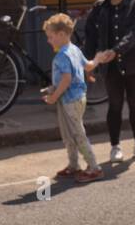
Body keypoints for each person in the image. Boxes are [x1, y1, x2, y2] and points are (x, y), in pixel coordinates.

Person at [81, 0, 135, 162]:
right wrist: (89, 62)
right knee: (115, 105)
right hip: (109, 65)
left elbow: (134, 33)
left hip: (134, 62)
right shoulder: (100, 7)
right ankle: (115, 147)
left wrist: (116, 50)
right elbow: (91, 35)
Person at [44, 13, 103, 183]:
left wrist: (53, 96)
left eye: (50, 37)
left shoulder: (62, 55)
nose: (49, 41)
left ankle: (94, 168)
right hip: (75, 99)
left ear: (61, 34)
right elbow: (89, 66)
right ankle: (73, 165)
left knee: (77, 133)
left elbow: (67, 79)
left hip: (69, 100)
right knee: (69, 133)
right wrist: (98, 58)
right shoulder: (75, 49)